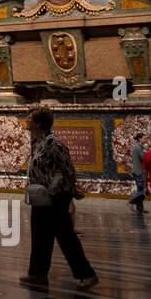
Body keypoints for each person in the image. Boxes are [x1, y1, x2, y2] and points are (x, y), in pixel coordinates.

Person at [21, 105, 98, 289]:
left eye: (30, 118)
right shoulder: (37, 143)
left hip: (56, 196)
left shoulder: (54, 143)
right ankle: (37, 274)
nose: (26, 120)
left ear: (39, 123)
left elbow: (68, 169)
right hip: (41, 195)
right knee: (40, 235)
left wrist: (73, 190)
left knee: (65, 236)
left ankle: (87, 274)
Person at [128, 133, 147, 214]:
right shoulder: (138, 148)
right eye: (144, 138)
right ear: (139, 139)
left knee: (140, 189)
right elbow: (144, 158)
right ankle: (130, 202)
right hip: (138, 171)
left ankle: (140, 209)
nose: (145, 140)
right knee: (141, 191)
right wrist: (147, 151)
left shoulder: (138, 147)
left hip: (137, 171)